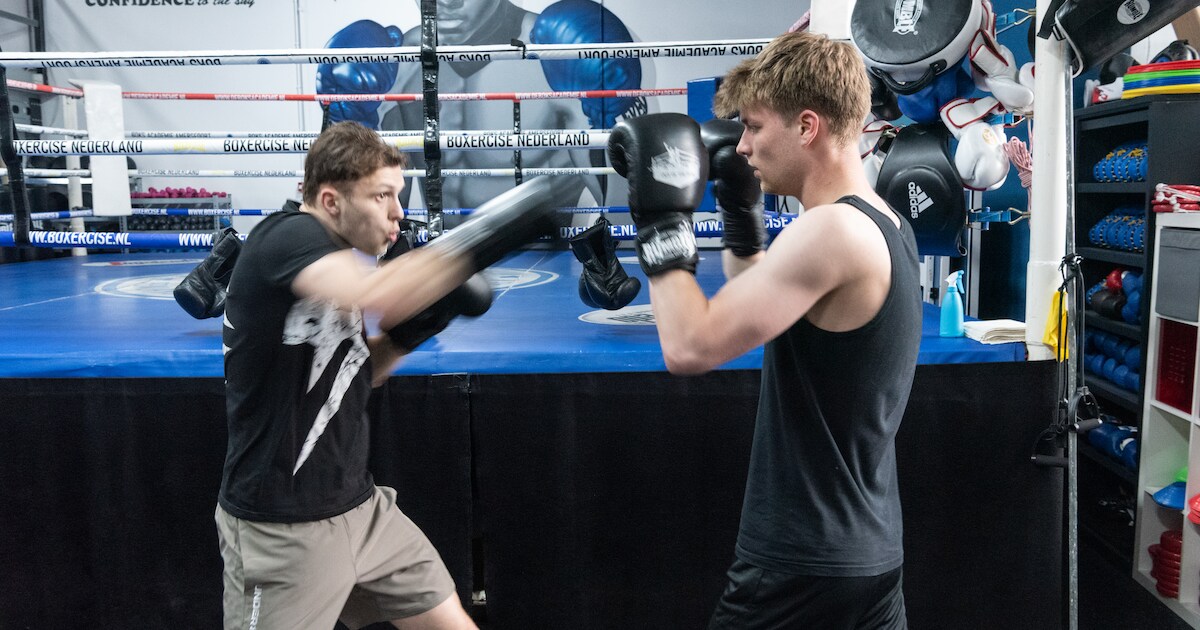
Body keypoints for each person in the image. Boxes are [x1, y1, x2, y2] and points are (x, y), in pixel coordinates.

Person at [606, 31, 921, 629]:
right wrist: (739, 208)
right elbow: (756, 287)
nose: (742, 145)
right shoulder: (883, 223)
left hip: (801, 564)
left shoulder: (828, 232)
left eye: (753, 126)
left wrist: (658, 216)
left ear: (807, 127)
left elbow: (689, 346)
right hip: (868, 552)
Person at [215, 121, 559, 629]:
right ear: (331, 201)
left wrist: (411, 334)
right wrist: (495, 232)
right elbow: (381, 297)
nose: (399, 213)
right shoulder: (286, 237)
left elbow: (358, 372)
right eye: (382, 196)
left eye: (399, 195)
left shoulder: (340, 256)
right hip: (283, 527)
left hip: (362, 507)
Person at [316, 0, 644, 210]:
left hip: (549, 257)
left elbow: (618, 204)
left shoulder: (554, 52)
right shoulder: (397, 64)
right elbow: (372, 206)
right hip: (441, 263)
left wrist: (612, 115)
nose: (448, 1)